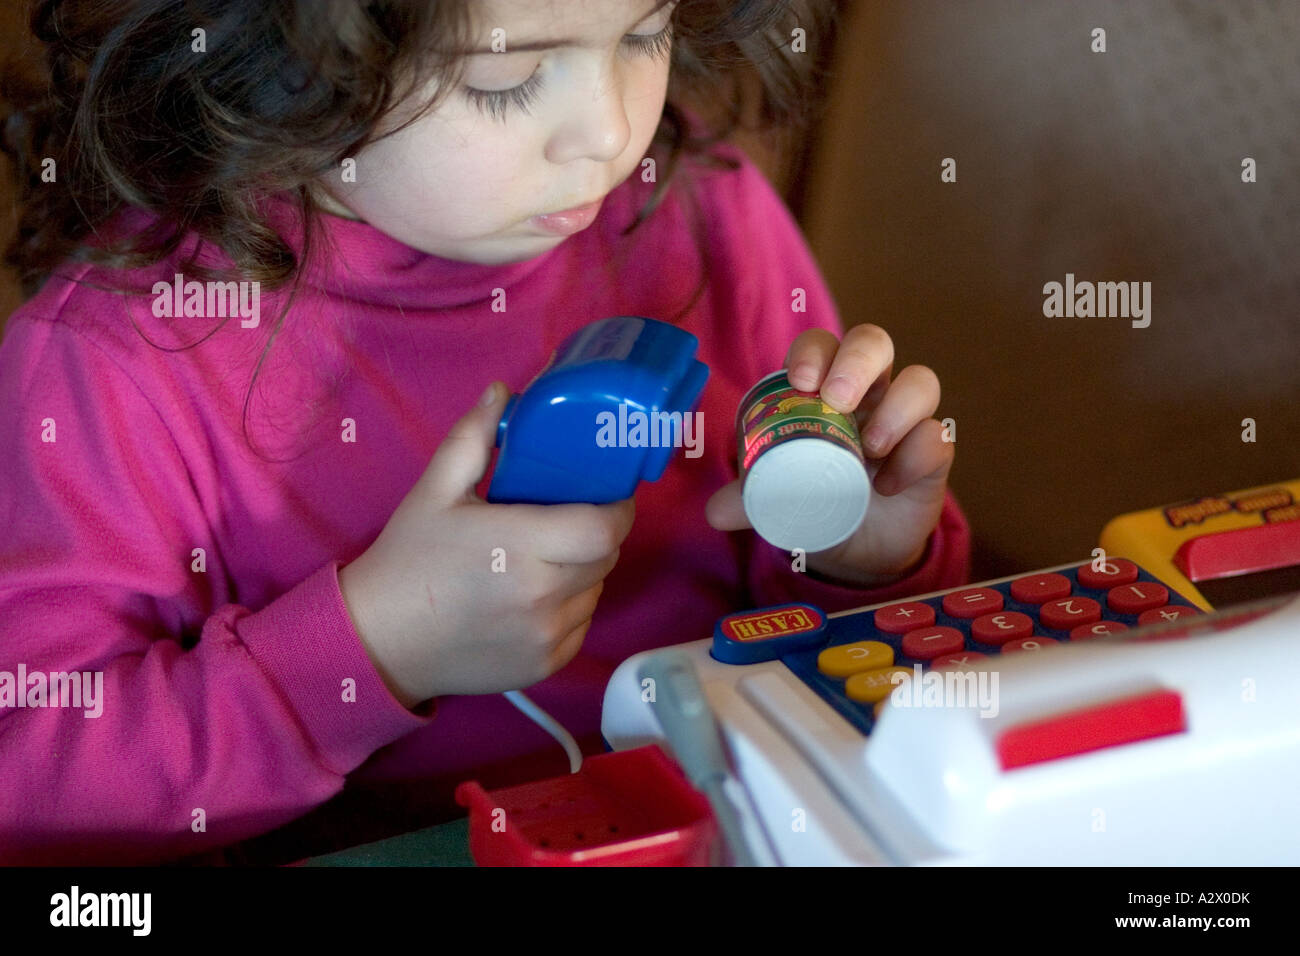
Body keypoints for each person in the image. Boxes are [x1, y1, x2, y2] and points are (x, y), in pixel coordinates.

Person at [0, 0, 970, 864]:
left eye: (643, 32)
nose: (609, 132)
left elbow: (837, 669)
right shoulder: (115, 354)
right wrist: (373, 648)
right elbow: (32, 782)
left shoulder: (703, 198)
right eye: (505, 78)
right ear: (284, 59)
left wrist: (853, 565)